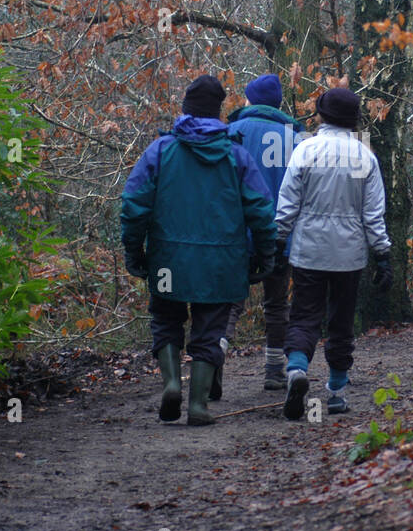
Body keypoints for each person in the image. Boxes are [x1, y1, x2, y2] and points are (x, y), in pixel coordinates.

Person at [120, 75, 276, 426]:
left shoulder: (160, 151)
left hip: (167, 260)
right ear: (218, 111)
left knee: (166, 318)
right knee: (211, 328)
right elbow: (261, 211)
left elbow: (133, 204)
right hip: (222, 262)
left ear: (185, 108)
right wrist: (265, 255)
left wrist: (135, 251)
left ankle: (172, 382)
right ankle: (198, 405)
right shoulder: (237, 156)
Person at [274, 87, 391, 419]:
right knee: (341, 321)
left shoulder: (305, 151)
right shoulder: (364, 156)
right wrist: (382, 253)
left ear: (322, 114)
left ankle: (297, 369)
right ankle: (337, 391)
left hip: (309, 249)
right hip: (349, 254)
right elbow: (373, 214)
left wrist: (278, 240)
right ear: (353, 119)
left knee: (304, 315)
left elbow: (288, 203)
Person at [221, 74, 305, 393]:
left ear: (250, 100)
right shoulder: (295, 138)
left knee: (230, 301)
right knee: (276, 302)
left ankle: (216, 354)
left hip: (236, 234)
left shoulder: (230, 133)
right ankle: (273, 370)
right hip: (280, 234)